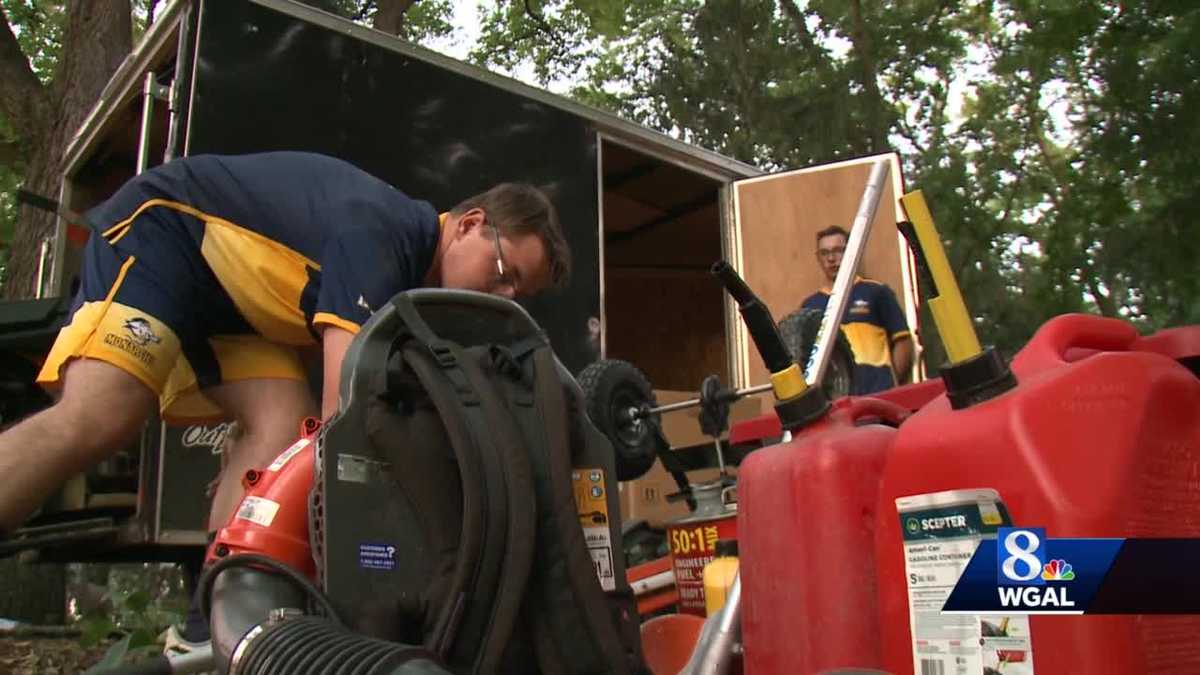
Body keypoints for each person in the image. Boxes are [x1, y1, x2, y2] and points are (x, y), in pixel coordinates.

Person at [0, 151, 570, 541]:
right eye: (505, 273)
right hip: (165, 232)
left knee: (282, 431)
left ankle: (215, 612)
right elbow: (345, 411)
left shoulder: (409, 273)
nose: (502, 296)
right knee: (102, 414)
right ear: (469, 224)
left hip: (228, 305)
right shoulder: (387, 235)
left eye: (517, 294)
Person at [801, 225, 913, 394]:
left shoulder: (876, 292)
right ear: (818, 258)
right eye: (824, 253)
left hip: (879, 396)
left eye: (838, 250)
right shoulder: (810, 306)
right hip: (837, 401)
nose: (831, 258)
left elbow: (903, 342)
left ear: (850, 252)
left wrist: (892, 386)